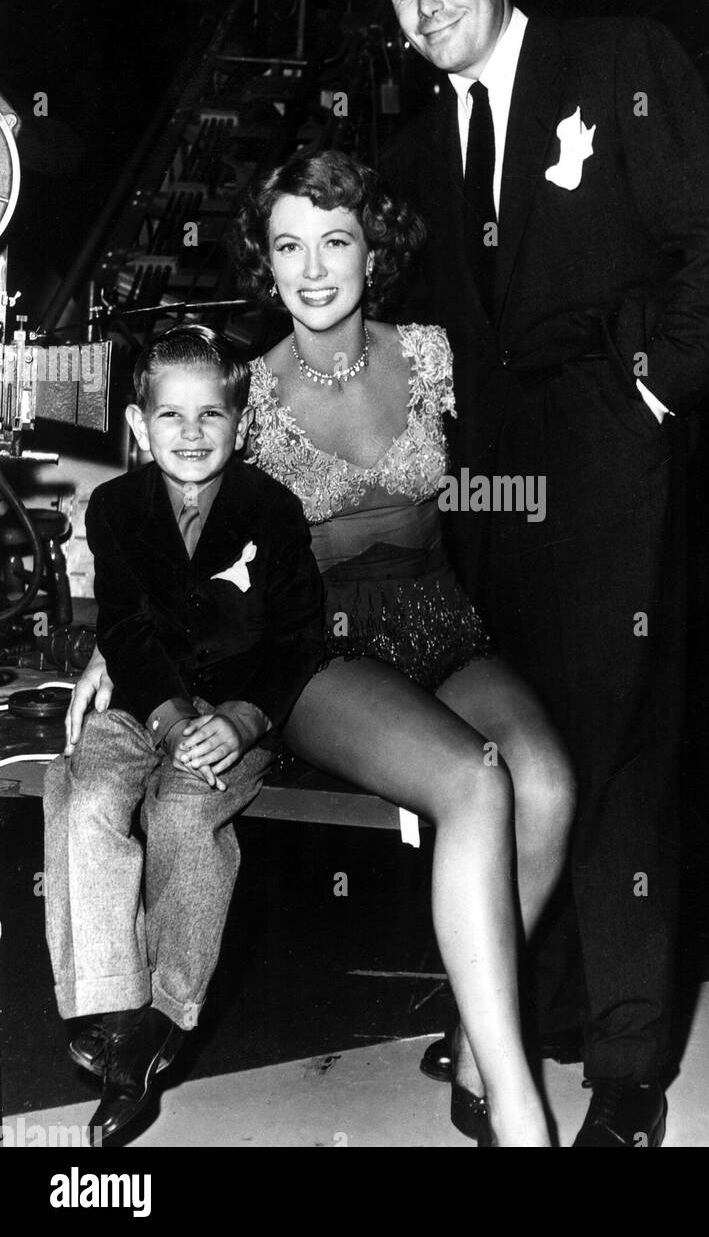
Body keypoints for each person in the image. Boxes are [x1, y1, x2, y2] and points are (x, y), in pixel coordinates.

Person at [364, 0, 709, 1145]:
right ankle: (517, 1019)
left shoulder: (619, 62)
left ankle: (630, 1069)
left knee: (622, 758)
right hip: (481, 495)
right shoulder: (421, 144)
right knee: (518, 760)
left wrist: (652, 396)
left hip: (608, 466)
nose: (425, 7)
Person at [66, 149, 577, 1148]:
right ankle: (519, 1113)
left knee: (548, 784)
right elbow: (168, 533)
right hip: (322, 651)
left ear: (370, 247)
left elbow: (538, 438)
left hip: (440, 625)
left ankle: (478, 1044)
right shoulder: (243, 394)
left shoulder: (433, 354)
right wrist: (112, 644)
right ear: (264, 258)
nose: (312, 268)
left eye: (334, 240)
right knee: (478, 784)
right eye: (288, 244)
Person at [44, 323, 325, 1143]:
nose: (193, 434)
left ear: (241, 426)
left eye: (212, 416)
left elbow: (300, 637)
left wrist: (241, 720)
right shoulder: (115, 506)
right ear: (138, 427)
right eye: (171, 417)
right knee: (85, 791)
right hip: (142, 703)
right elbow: (125, 630)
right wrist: (167, 716)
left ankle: (163, 1016)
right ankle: (110, 1004)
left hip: (235, 716)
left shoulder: (271, 510)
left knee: (181, 814)